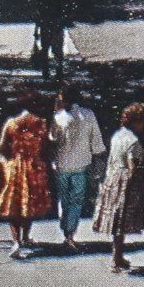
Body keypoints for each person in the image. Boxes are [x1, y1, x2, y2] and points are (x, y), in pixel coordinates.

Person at [93, 101, 144, 274]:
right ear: (135, 122)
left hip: (113, 178)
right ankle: (116, 259)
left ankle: (118, 256)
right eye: (142, 121)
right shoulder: (133, 141)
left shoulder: (117, 136)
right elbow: (133, 165)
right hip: (126, 182)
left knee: (116, 220)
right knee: (122, 221)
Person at [0, 95, 55, 259]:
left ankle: (16, 241)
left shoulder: (12, 123)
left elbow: (2, 147)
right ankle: (26, 236)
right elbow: (45, 147)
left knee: (14, 204)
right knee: (30, 204)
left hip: (15, 166)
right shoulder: (41, 123)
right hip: (34, 166)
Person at [49, 85, 106, 250]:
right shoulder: (88, 115)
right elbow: (96, 141)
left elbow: (52, 138)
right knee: (77, 199)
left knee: (63, 198)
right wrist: (98, 155)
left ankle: (65, 226)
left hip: (61, 164)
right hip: (81, 164)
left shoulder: (58, 117)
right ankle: (70, 232)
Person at [31, 0, 68, 79]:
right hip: (57, 26)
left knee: (45, 49)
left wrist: (36, 30)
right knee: (58, 51)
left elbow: (38, 15)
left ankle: (46, 73)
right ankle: (59, 72)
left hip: (45, 25)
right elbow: (63, 13)